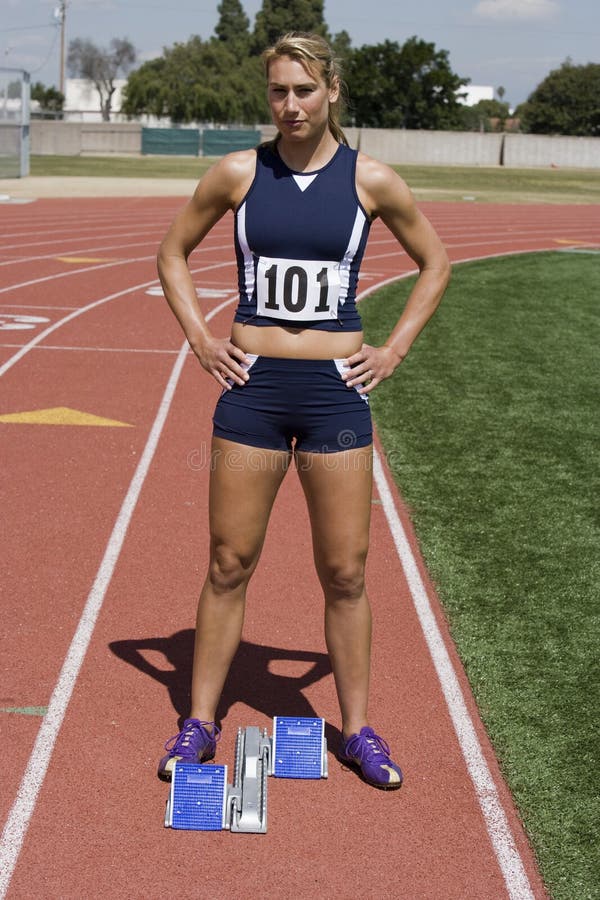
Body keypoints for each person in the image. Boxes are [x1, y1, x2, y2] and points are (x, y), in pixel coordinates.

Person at [156, 31, 450, 790]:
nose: (290, 105)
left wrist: (394, 350)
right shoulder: (237, 172)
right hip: (252, 395)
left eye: (304, 91)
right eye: (279, 91)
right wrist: (198, 336)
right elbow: (171, 253)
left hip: (333, 398)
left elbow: (436, 261)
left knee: (346, 571)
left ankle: (355, 730)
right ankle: (199, 720)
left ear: (333, 92)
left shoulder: (371, 181)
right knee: (228, 563)